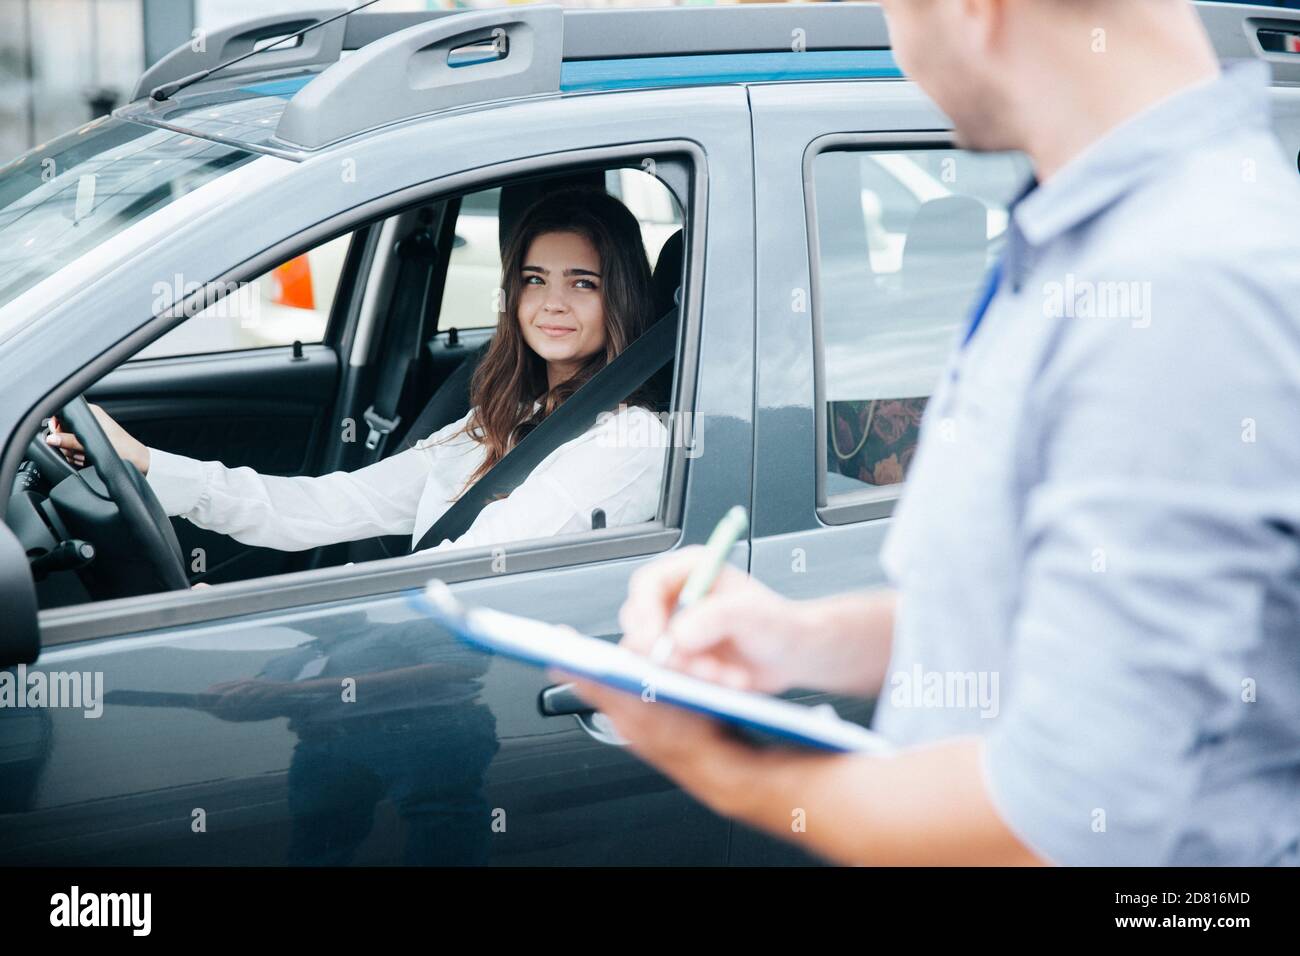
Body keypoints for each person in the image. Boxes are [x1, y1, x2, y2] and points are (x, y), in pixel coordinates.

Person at [568, 0, 1300, 866]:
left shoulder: (1182, 287)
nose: (898, 46)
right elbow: (1028, 621)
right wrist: (799, 640)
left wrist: (725, 773)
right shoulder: (1091, 243)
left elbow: (1056, 827)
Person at [46, 187, 669, 558]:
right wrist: (148, 464)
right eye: (534, 281)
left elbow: (472, 576)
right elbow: (332, 504)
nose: (552, 303)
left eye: (582, 283)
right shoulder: (505, 416)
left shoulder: (629, 441)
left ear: (620, 296)